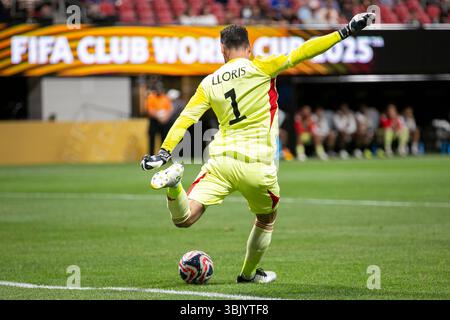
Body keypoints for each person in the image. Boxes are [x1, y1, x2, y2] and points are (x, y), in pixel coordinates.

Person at [140, 13, 375, 284]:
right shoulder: (262, 67)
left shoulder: (209, 83)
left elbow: (185, 118)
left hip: (221, 161)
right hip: (257, 164)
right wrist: (344, 31)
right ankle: (249, 273)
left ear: (223, 50)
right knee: (266, 217)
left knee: (185, 219)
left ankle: (174, 185)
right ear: (249, 49)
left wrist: (165, 152)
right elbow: (304, 51)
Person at [145, 83, 173, 155]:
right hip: (154, 120)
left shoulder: (165, 98)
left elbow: (169, 109)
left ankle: (164, 155)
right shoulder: (151, 97)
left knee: (164, 139)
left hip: (164, 121)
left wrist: (165, 117)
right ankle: (151, 155)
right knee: (152, 138)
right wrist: (158, 116)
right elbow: (150, 110)